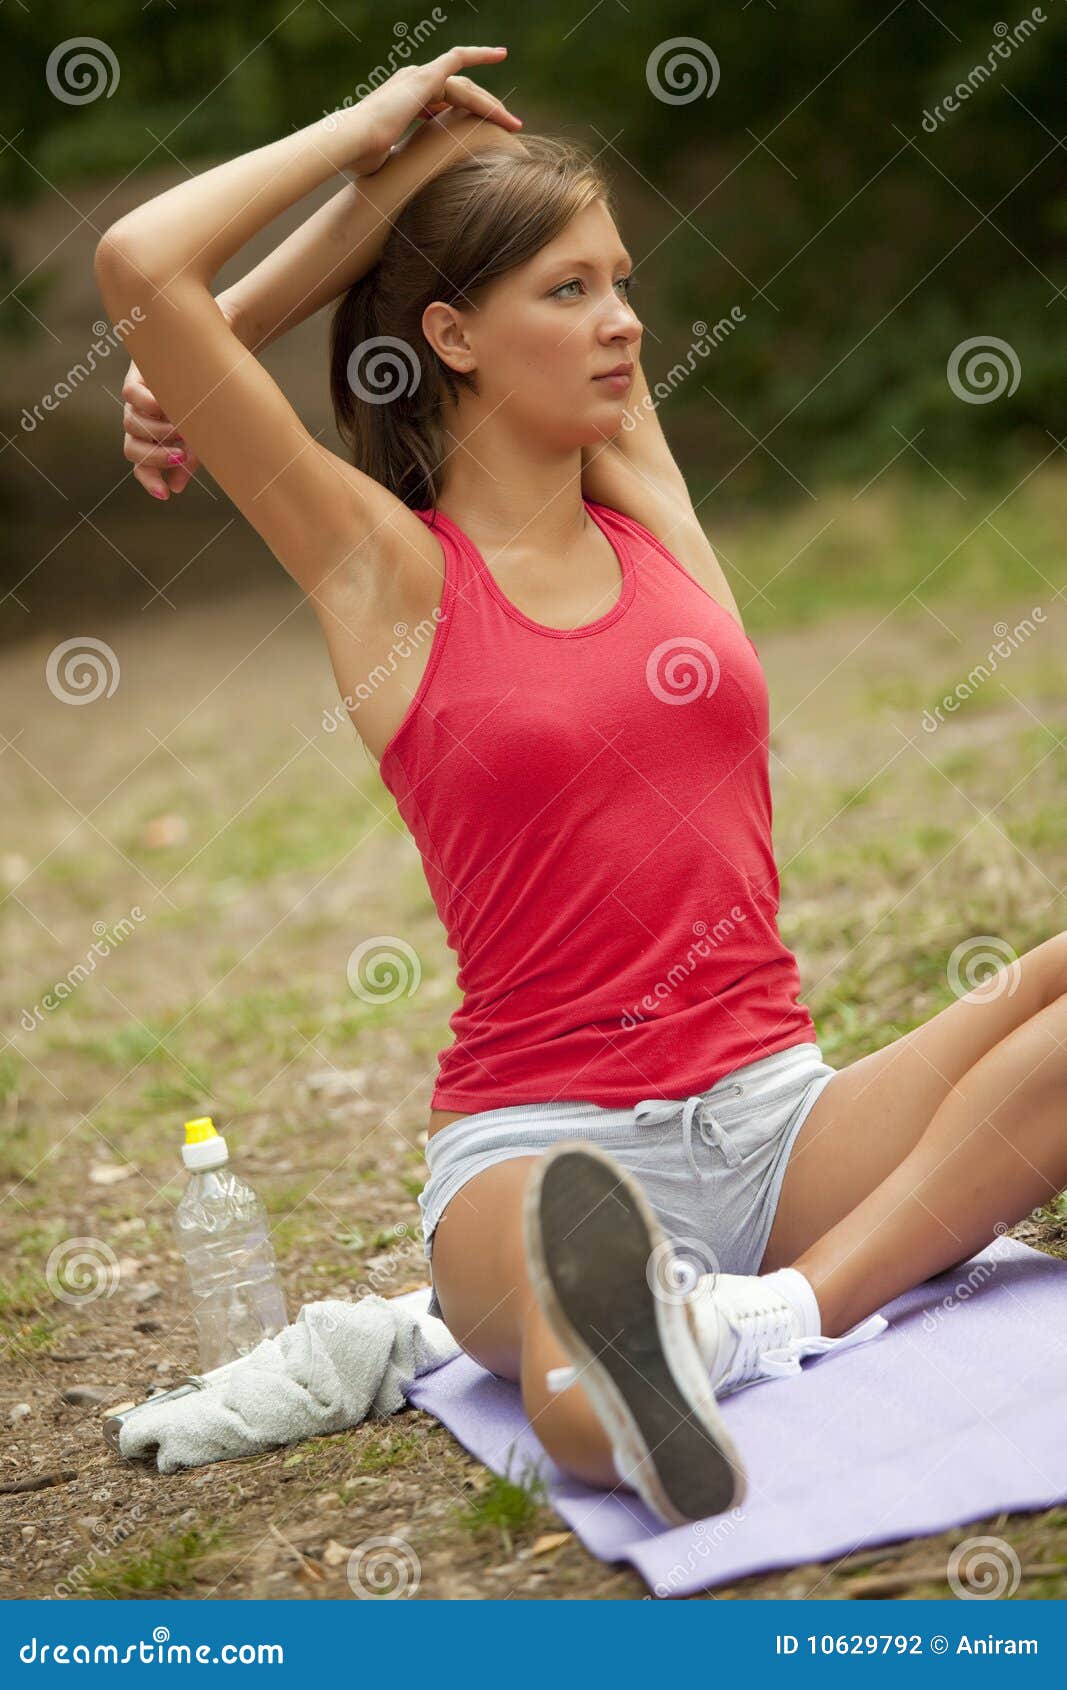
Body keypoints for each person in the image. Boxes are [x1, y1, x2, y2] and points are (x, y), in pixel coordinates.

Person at [97, 44, 1067, 1528]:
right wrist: (317, 190)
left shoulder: (648, 497)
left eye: (621, 282)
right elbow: (137, 260)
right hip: (539, 1149)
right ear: (452, 336)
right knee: (579, 1307)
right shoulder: (387, 570)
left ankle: (776, 1311)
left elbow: (482, 172)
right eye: (568, 292)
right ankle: (626, 1372)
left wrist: (205, 345)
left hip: (775, 1123)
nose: (623, 323)